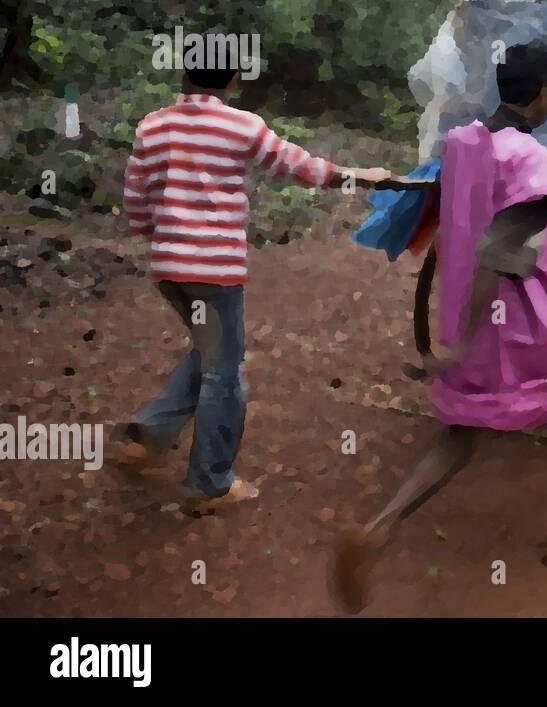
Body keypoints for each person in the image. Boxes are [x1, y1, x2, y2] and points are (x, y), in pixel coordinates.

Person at [330, 42, 547, 614]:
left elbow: (447, 233)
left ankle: (380, 527)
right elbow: (498, 253)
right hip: (526, 322)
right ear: (546, 92)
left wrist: (452, 331)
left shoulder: (465, 144)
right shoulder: (532, 161)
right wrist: (460, 345)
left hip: (470, 316)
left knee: (462, 432)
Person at [117, 55, 390, 508]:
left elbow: (135, 195)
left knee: (210, 350)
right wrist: (364, 177)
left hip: (170, 270)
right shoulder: (241, 126)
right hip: (215, 273)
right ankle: (210, 483)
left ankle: (148, 434)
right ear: (232, 79)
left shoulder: (153, 126)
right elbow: (302, 167)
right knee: (224, 373)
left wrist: (158, 237)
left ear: (184, 74)